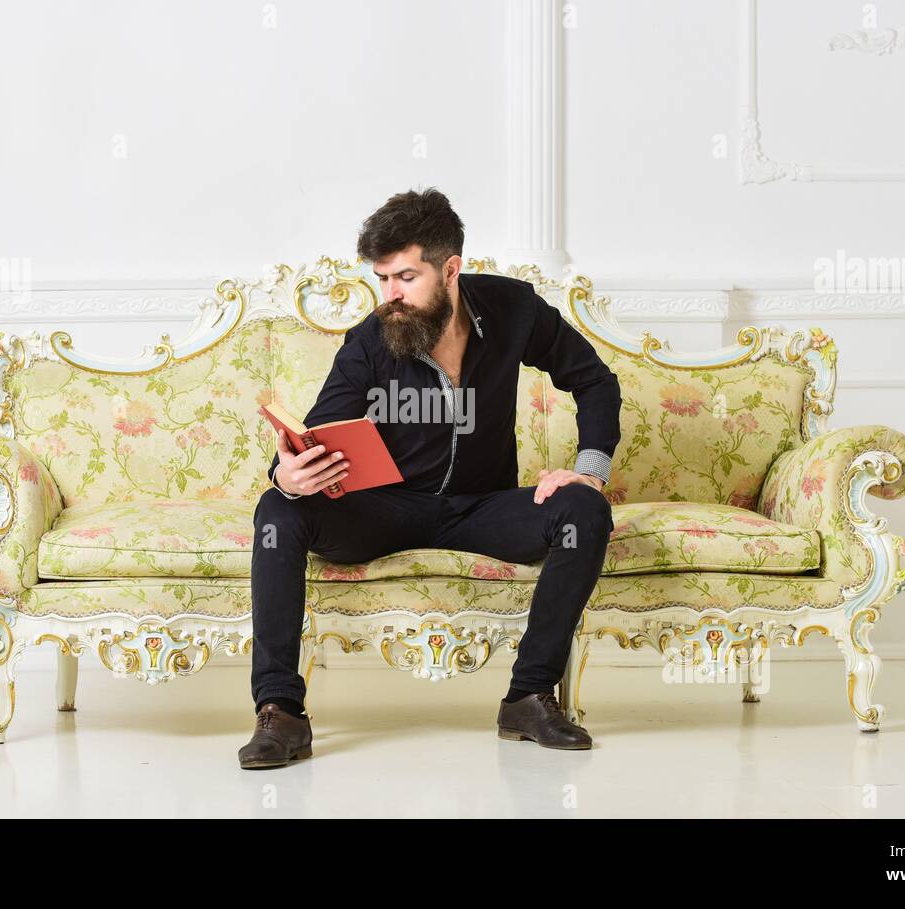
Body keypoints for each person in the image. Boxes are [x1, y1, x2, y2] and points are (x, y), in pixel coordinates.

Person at [240, 187, 621, 768]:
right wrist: (289, 474)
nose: (390, 295)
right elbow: (314, 432)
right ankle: (281, 712)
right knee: (277, 509)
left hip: (483, 507)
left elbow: (595, 379)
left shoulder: (514, 309)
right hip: (385, 511)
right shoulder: (372, 337)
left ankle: (528, 697)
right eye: (382, 278)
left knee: (584, 510)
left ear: (450, 270)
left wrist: (590, 472)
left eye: (405, 278)